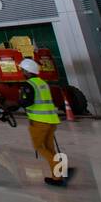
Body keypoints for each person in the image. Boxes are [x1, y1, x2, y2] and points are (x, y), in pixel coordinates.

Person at [21, 58, 68, 187]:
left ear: (27, 71)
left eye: (23, 70)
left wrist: (14, 103)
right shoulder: (43, 83)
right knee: (49, 148)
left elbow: (28, 101)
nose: (21, 72)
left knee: (39, 147)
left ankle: (58, 168)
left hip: (39, 121)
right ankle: (57, 177)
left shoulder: (28, 84)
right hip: (51, 120)